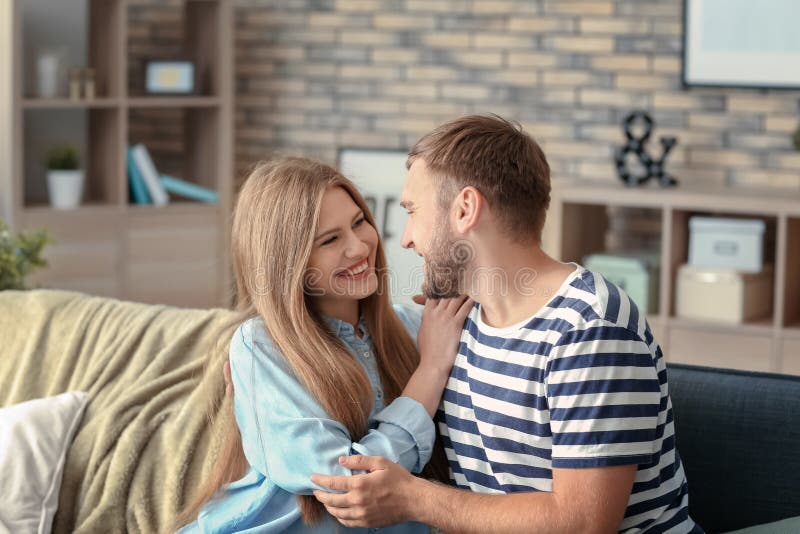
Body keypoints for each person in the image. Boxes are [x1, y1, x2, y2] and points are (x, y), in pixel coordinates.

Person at [311, 115, 703, 533]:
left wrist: (414, 499)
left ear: (465, 209)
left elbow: (584, 525)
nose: (405, 238)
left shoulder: (589, 329)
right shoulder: (459, 317)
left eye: (412, 211)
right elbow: (363, 338)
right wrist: (261, 346)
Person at [173, 157, 472, 533]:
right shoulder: (260, 346)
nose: (359, 247)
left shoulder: (419, 327)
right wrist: (430, 372)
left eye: (359, 222)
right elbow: (348, 482)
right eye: (330, 240)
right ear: (287, 262)